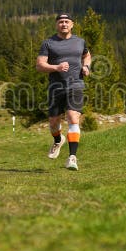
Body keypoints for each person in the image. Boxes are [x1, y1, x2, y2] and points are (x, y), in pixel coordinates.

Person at [36, 13, 92, 170]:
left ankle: (72, 157)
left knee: (73, 117)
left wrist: (86, 66)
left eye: (67, 22)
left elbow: (87, 55)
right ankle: (58, 140)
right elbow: (40, 65)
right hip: (56, 87)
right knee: (54, 122)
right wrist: (56, 67)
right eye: (61, 22)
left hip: (76, 84)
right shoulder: (48, 43)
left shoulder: (80, 42)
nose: (64, 24)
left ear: (72, 24)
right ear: (56, 25)